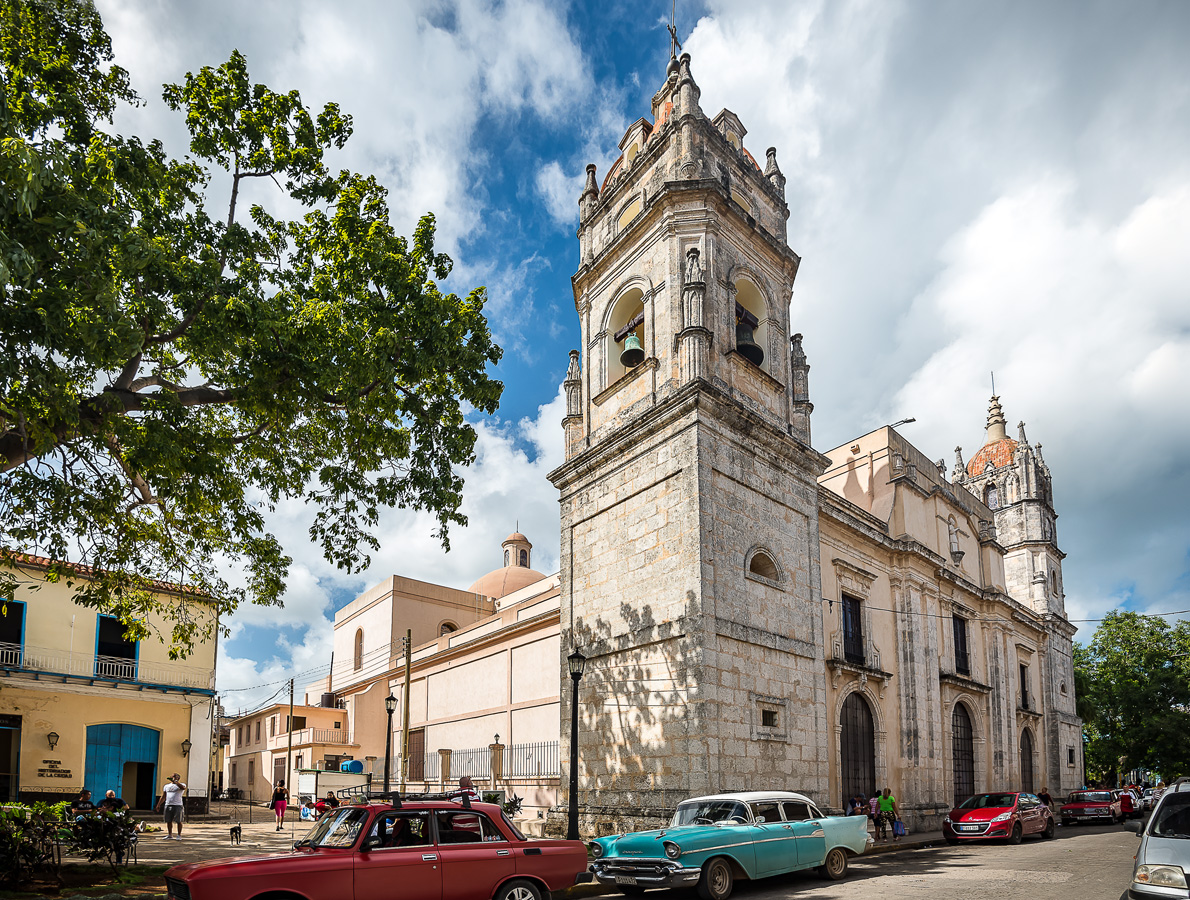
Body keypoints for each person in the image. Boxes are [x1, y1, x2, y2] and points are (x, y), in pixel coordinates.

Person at [155, 773, 187, 840]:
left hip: (178, 805)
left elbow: (183, 788)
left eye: (175, 777)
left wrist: (176, 782)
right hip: (168, 804)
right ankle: (170, 834)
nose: (174, 778)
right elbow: (163, 796)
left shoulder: (181, 785)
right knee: (168, 820)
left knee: (179, 820)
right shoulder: (166, 786)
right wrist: (158, 805)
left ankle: (179, 835)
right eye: (172, 776)